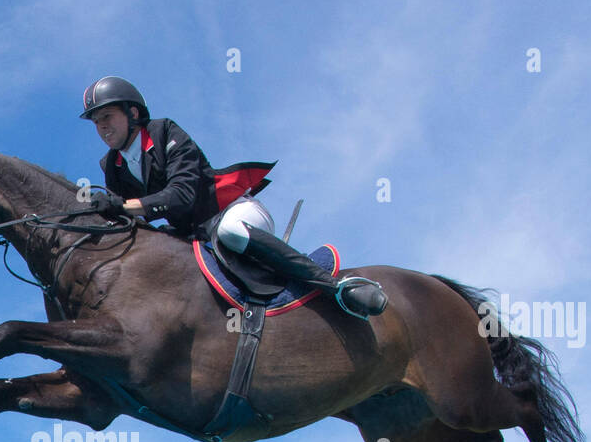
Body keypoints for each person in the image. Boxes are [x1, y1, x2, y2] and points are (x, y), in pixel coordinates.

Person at [80, 76, 386, 319]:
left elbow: (181, 196)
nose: (102, 127)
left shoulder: (164, 132)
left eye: (107, 116)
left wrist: (124, 206)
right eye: (96, 122)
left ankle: (336, 289)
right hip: (193, 235)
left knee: (230, 233)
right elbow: (126, 221)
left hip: (233, 213)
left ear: (132, 113)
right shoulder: (112, 166)